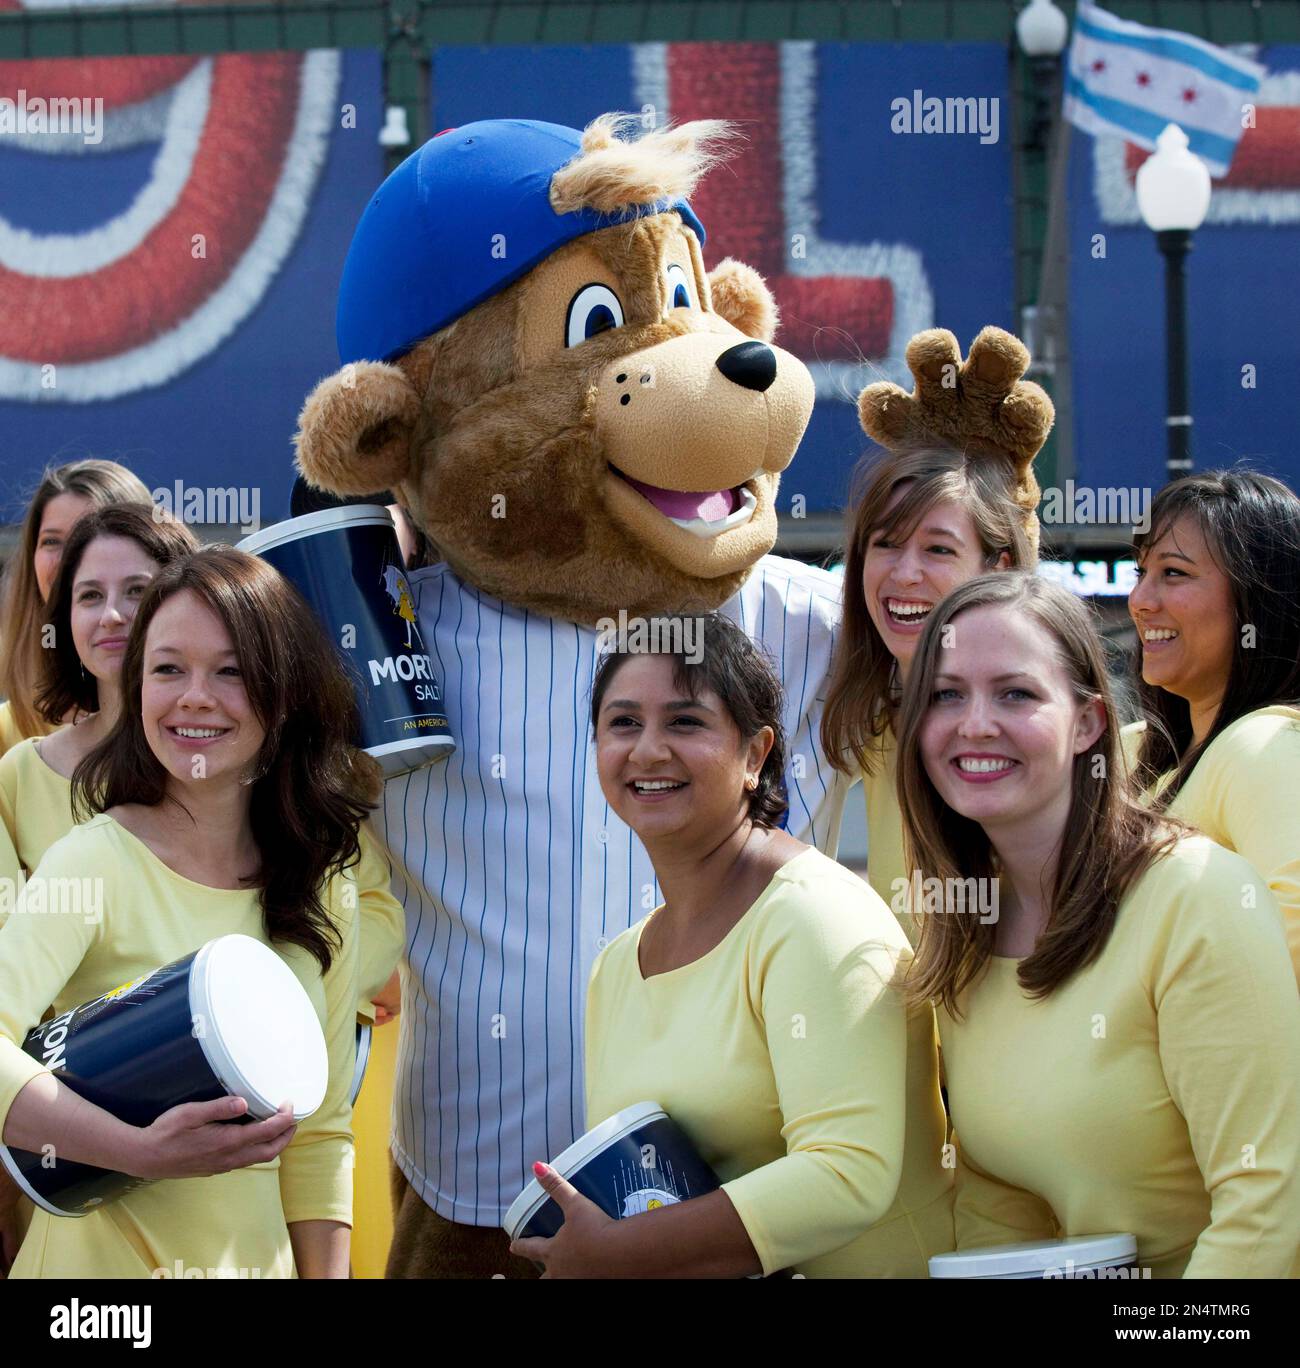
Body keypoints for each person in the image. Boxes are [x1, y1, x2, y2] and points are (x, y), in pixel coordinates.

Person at [895, 572, 1300, 1277]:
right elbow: (1002, 1199)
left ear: (1088, 722)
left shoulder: (1194, 898)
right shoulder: (962, 930)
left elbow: (1271, 1202)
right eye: (945, 695)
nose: (975, 723)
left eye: (1016, 693)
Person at [0, 547, 375, 1277]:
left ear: (286, 691)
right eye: (168, 669)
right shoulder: (95, 859)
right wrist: (135, 1150)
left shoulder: (324, 887)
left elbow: (322, 1136)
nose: (194, 697)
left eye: (229, 671)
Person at [510, 614, 910, 1277]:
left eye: (686, 722)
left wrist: (619, 1252)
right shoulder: (618, 965)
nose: (647, 751)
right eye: (623, 723)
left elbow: (848, 1174)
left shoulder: (814, 917)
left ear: (755, 755)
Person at [817, 444, 1036, 1271]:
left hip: (1032, 1116)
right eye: (884, 543)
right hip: (934, 1132)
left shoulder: (1026, 728)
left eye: (938, 549)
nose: (903, 574)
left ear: (1001, 562)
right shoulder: (874, 718)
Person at [1125, 470, 1300, 982]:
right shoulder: (1143, 752)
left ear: (1257, 600)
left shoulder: (1263, 745)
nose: (1140, 600)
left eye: (1174, 574)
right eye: (1141, 572)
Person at [0, 505, 198, 890]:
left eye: (137, 590)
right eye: (90, 595)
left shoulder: (227, 754)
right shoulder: (18, 777)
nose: (111, 614)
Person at [0, 459, 152, 754]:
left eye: (87, 535)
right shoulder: (8, 740)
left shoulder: (187, 727)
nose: (69, 557)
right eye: (51, 541)